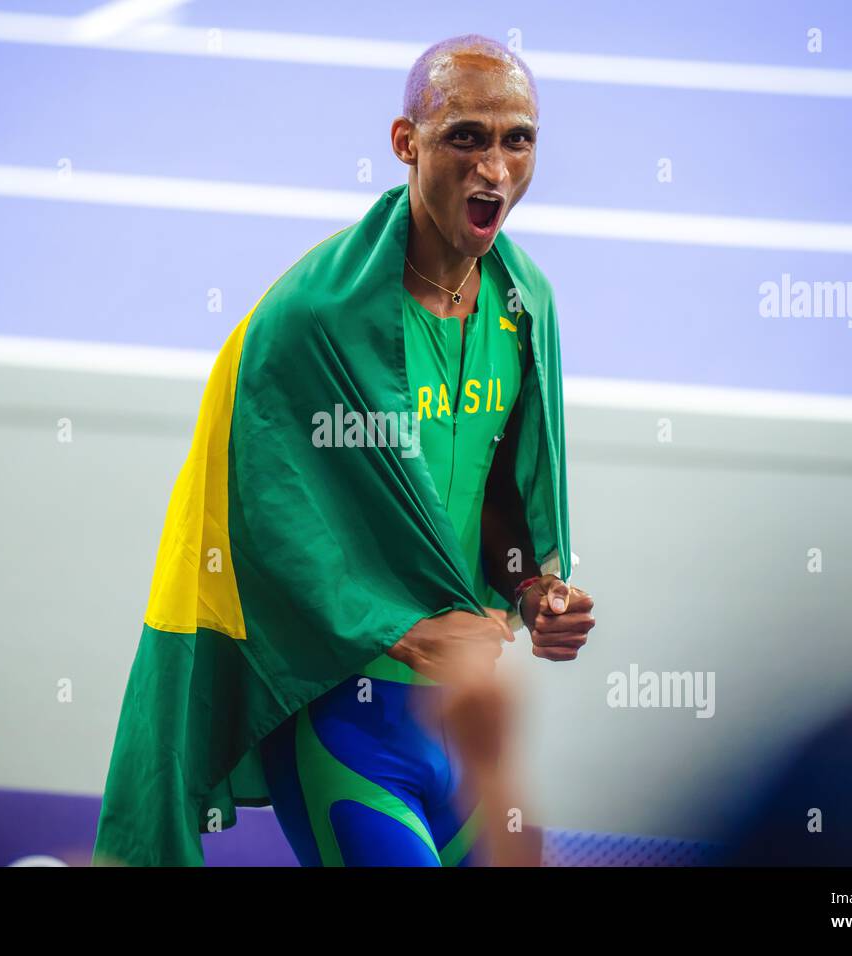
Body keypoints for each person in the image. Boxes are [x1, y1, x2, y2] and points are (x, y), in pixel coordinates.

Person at [93, 34, 594, 868]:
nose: (495, 169)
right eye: (466, 136)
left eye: (518, 140)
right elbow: (253, 515)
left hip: (464, 725)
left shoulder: (524, 301)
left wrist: (533, 586)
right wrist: (395, 629)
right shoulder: (309, 318)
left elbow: (499, 493)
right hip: (347, 721)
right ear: (407, 143)